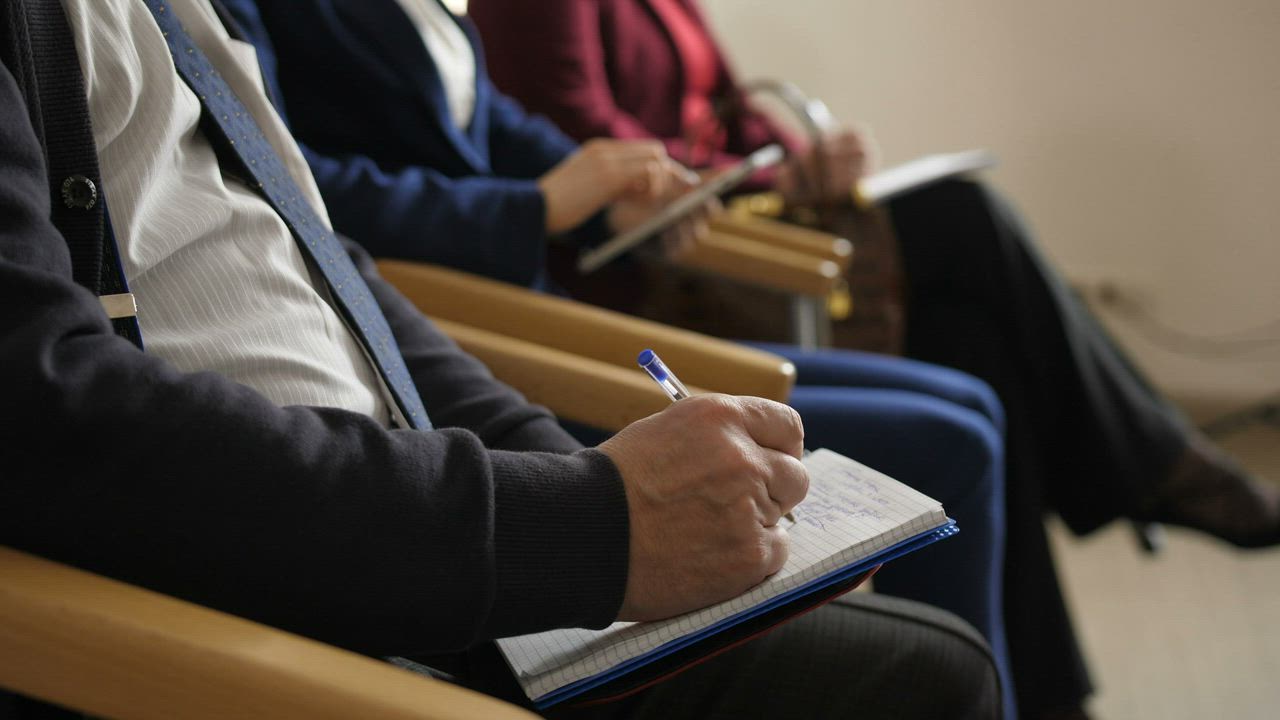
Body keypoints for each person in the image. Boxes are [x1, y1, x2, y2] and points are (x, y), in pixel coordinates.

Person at [0, 0, 1004, 718]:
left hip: (408, 523)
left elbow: (323, 260)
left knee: (925, 626)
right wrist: (587, 526)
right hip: (270, 595)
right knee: (925, 670)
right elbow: (40, 414)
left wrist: (570, 477)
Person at [467, 0, 1280, 716]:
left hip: (727, 224)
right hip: (656, 282)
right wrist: (744, 179)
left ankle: (1050, 691)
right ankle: (1159, 466)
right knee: (962, 223)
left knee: (976, 344)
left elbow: (737, 118)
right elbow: (581, 150)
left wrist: (804, 157)